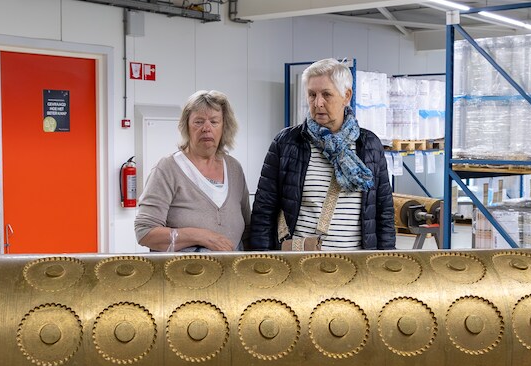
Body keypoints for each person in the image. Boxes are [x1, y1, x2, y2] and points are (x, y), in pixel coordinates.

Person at [249, 58, 394, 250]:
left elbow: (384, 213)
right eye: (312, 95)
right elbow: (263, 210)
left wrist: (385, 264)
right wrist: (263, 263)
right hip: (300, 265)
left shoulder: (369, 146)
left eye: (326, 94)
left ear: (346, 95)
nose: (318, 103)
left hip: (355, 267)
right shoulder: (286, 144)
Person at [134, 90, 250, 252]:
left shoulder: (234, 168)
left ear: (225, 127)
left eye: (214, 122)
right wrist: (200, 236)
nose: (206, 128)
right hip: (182, 273)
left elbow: (248, 229)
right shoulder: (168, 168)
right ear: (186, 127)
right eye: (198, 121)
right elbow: (144, 232)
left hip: (230, 273)